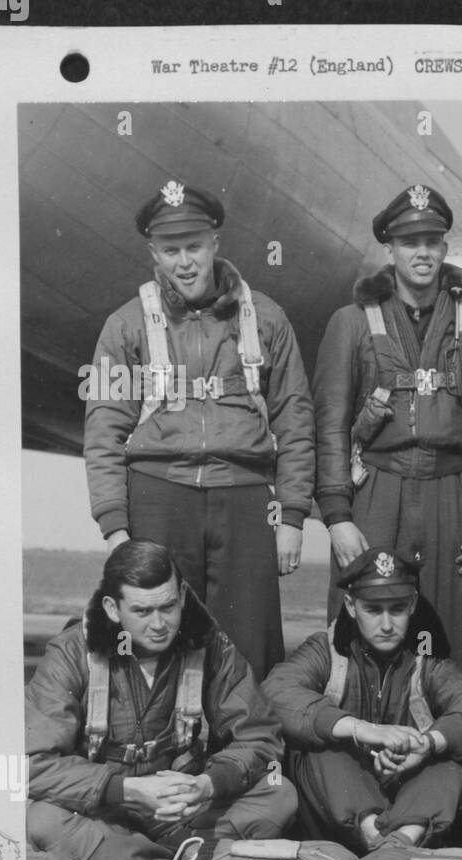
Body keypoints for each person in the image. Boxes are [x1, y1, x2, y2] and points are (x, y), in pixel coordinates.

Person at [84, 181, 315, 682]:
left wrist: (293, 515)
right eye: (171, 250)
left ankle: (252, 755)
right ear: (153, 253)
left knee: (249, 645)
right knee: (158, 640)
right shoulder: (124, 327)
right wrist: (115, 528)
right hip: (159, 497)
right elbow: (103, 431)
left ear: (215, 243)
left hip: (246, 496)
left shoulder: (266, 319)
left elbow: (296, 422)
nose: (184, 262)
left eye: (194, 247)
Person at [312, 185, 462, 682]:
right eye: (410, 242)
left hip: (457, 493)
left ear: (446, 247)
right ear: (389, 249)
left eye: (432, 240)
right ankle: (359, 748)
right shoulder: (350, 324)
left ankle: (458, 754)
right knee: (363, 629)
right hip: (378, 491)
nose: (422, 252)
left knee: (460, 637)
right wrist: (337, 515)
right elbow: (330, 426)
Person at [25, 540, 297, 860]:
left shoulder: (209, 644)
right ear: (112, 608)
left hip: (183, 811)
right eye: (141, 611)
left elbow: (260, 736)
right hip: (106, 811)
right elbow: (34, 764)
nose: (158, 625)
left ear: (182, 595)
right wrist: (128, 790)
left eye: (168, 607)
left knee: (280, 794)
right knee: (44, 819)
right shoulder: (72, 653)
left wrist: (208, 785)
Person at [262, 548, 462, 855]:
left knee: (456, 747)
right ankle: (374, 836)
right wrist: (359, 728)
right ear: (351, 606)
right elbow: (275, 691)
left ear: (413, 604)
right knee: (318, 743)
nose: (387, 624)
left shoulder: (425, 660)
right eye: (374, 610)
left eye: (398, 609)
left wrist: (428, 743)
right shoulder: (326, 651)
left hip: (408, 802)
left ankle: (402, 839)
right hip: (340, 813)